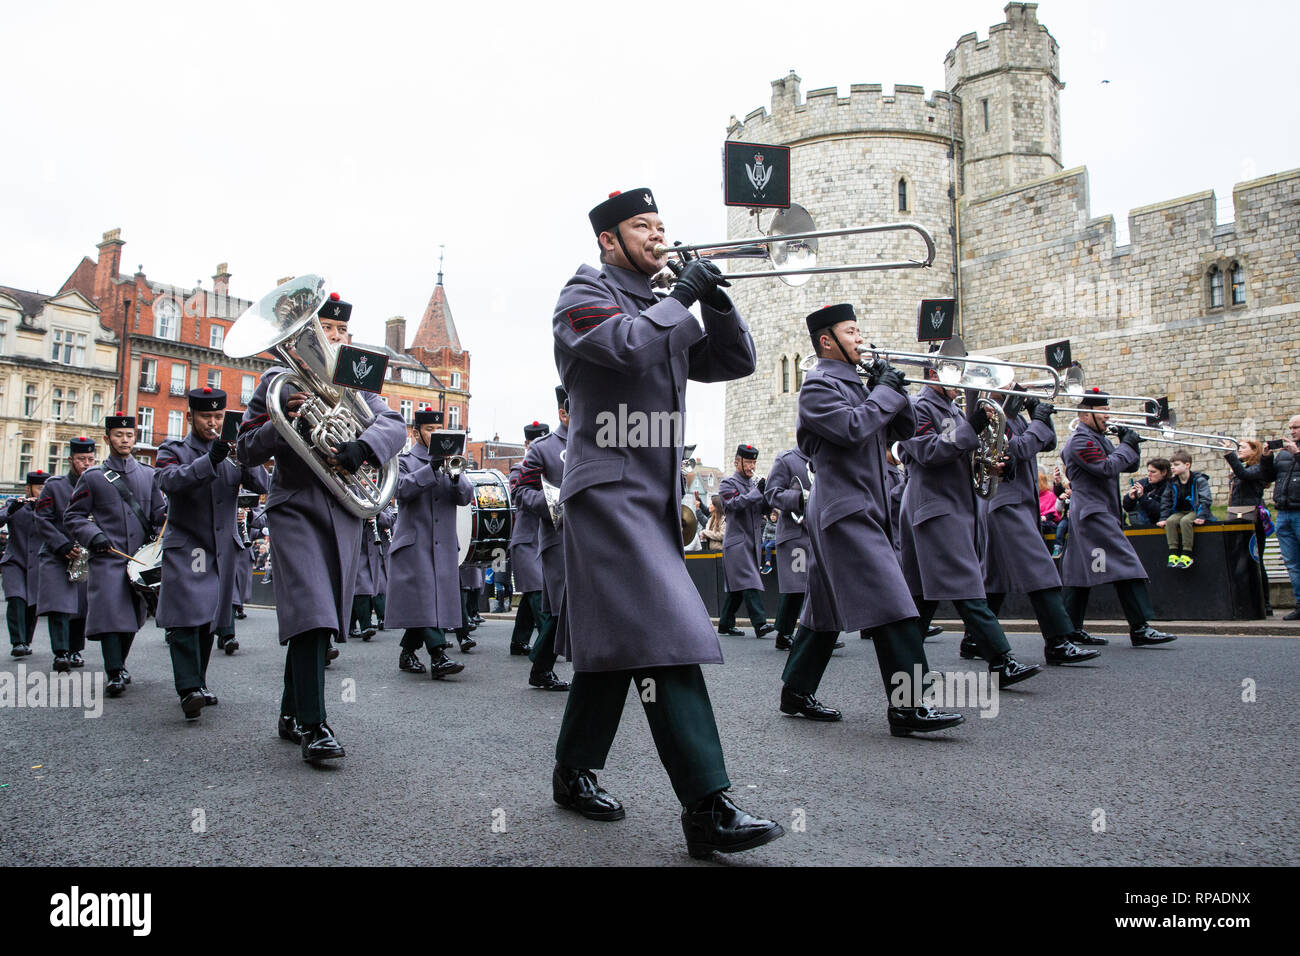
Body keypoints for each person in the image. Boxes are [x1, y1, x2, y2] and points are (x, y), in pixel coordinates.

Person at [548, 186, 781, 858]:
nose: (658, 236)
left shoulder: (663, 303)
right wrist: (682, 298)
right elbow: (624, 349)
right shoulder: (583, 294)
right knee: (667, 633)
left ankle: (572, 771)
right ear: (608, 240)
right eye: (642, 227)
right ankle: (708, 806)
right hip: (607, 490)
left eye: (660, 225)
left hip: (650, 496)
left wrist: (713, 296)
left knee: (624, 642)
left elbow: (734, 361)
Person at [237, 291, 407, 762]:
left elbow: (395, 426)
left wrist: (363, 448)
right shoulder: (277, 379)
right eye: (324, 330)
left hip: (345, 510)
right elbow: (246, 448)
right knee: (312, 611)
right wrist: (281, 419)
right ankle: (315, 726)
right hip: (296, 507)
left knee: (322, 618)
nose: (331, 338)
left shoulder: (356, 376)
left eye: (338, 332)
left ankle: (291, 713)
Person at [779, 303, 963, 734]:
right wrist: (881, 393)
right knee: (895, 603)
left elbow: (901, 432)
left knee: (822, 611)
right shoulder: (818, 386)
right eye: (851, 331)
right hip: (845, 509)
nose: (861, 338)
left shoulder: (860, 384)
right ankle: (909, 706)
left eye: (859, 330)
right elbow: (850, 428)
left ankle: (796, 691)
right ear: (827, 341)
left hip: (863, 507)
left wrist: (893, 390)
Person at [898, 366, 1043, 686]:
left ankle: (904, 666)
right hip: (934, 507)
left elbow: (965, 455)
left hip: (956, 506)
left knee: (921, 597)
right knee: (966, 586)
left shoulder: (952, 407)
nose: (960, 383)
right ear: (933, 375)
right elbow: (929, 451)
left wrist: (994, 464)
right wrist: (971, 426)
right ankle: (1001, 661)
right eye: (953, 374)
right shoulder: (917, 408)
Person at [154, 387, 270, 720]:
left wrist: (247, 455)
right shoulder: (173, 449)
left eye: (219, 417)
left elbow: (263, 485)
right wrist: (211, 459)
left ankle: (199, 683)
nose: (213, 423)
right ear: (190, 417)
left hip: (221, 548)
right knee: (185, 615)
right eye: (207, 417)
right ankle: (188, 687)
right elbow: (168, 481)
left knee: (208, 617)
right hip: (188, 545)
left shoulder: (233, 450)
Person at [969, 391, 1101, 664]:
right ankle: (1058, 641)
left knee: (994, 578)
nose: (1018, 389)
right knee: (1041, 570)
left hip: (1018, 503)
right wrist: (1038, 422)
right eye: (1010, 384)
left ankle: (973, 638)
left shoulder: (1014, 418)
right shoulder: (991, 418)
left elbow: (1047, 442)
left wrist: (1036, 416)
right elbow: (1015, 450)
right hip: (1005, 503)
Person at [1060, 389, 1179, 646]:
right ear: (1086, 414)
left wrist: (1130, 442)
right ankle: (1140, 626)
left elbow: (1128, 465)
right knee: (1126, 564)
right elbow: (1106, 468)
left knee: (1079, 573)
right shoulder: (1080, 440)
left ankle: (1069, 630)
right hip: (1094, 513)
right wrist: (1125, 446)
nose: (1108, 418)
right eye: (1103, 413)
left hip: (1097, 512)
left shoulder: (1097, 438)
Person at [65, 413, 168, 698]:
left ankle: (119, 665)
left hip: (138, 559)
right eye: (119, 435)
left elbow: (158, 514)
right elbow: (73, 516)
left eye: (130, 436)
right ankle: (114, 671)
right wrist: (93, 536)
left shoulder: (149, 475)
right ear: (107, 438)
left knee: (133, 617)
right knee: (111, 613)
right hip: (108, 555)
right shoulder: (93, 477)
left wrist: (169, 515)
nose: (125, 440)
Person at [386, 408, 472, 680]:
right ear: (416, 432)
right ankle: (438, 655)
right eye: (429, 431)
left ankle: (408, 651)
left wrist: (455, 475)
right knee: (425, 598)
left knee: (428, 601)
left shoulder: (450, 461)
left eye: (438, 431)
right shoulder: (403, 461)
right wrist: (430, 468)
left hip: (443, 544)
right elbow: (400, 490)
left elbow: (465, 497)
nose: (434, 435)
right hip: (415, 542)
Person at [513, 385, 572, 690]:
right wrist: (558, 501)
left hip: (597, 538)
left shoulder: (601, 442)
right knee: (565, 605)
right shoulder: (543, 448)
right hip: (558, 536)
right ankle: (540, 664)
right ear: (563, 412)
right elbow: (521, 493)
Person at [34, 438, 95, 671]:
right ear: (71, 460)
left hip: (84, 554)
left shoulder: (96, 484)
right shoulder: (53, 486)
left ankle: (75, 650)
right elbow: (42, 518)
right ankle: (60, 652)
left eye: (90, 459)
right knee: (59, 605)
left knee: (80, 607)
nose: (86, 464)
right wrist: (62, 545)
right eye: (81, 460)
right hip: (56, 553)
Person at [717, 444, 773, 638]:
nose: (752, 466)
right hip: (736, 543)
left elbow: (764, 511)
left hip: (752, 543)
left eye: (754, 462)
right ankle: (760, 624)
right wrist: (757, 493)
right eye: (748, 461)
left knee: (737, 589)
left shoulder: (753, 485)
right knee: (749, 580)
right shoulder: (727, 483)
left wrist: (768, 496)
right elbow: (734, 504)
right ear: (737, 462)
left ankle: (725, 624)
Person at [764, 446, 813, 651]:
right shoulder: (786, 459)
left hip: (815, 533)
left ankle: (818, 631)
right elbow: (771, 493)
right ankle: (784, 634)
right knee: (797, 586)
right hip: (795, 533)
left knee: (816, 585)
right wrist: (799, 498)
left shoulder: (821, 457)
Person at [507, 421, 549, 655]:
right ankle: (549, 646)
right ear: (526, 445)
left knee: (531, 594)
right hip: (526, 540)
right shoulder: (518, 469)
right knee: (537, 592)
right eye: (534, 445)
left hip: (544, 540)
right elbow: (519, 496)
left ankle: (518, 642)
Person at [1224, 438, 1277, 613]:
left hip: (1254, 517)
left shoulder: (1260, 467)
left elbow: (1245, 476)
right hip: (1239, 514)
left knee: (1256, 560)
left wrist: (1229, 455)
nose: (1239, 450)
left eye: (1243, 448)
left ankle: (1265, 603)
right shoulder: (1244, 467)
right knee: (1241, 561)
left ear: (1255, 451)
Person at [2, 471, 49, 657]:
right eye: (39, 489)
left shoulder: (48, 507)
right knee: (16, 598)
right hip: (14, 560)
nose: (42, 492)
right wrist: (12, 509)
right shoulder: (13, 503)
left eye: (45, 489)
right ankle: (17, 642)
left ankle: (27, 640)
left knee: (32, 604)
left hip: (38, 561)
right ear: (28, 488)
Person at [1157, 450, 1213, 568]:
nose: (1173, 468)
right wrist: (1163, 518)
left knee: (1185, 521)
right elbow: (1165, 501)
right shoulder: (1172, 482)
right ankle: (1173, 552)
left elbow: (1205, 499)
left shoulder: (1199, 480)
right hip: (1180, 511)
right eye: (1172, 465)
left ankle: (1187, 553)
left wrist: (1202, 515)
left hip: (1194, 511)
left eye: (1176, 465)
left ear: (1187, 465)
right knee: (1171, 521)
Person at [1270, 414, 1300, 620]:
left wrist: (1297, 454)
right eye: (1290, 427)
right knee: (1291, 563)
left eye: (1296, 427)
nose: (1292, 431)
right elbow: (1264, 477)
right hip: (1284, 512)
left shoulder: (1294, 452)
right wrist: (1265, 458)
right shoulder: (1284, 454)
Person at [349, 508, 394, 640]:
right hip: (358, 548)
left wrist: (377, 514)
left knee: (378, 587)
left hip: (375, 552)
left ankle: (352, 625)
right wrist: (363, 515)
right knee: (361, 586)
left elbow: (390, 520)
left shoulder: (380, 499)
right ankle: (365, 626)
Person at [1122, 458, 1171, 529]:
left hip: (1158, 524)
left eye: (1153, 472)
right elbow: (1127, 508)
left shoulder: (1170, 486)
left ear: (1164, 472)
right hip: (1138, 522)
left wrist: (1142, 497)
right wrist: (1130, 498)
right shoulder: (1142, 483)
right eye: (1148, 471)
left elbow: (1161, 510)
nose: (1149, 474)